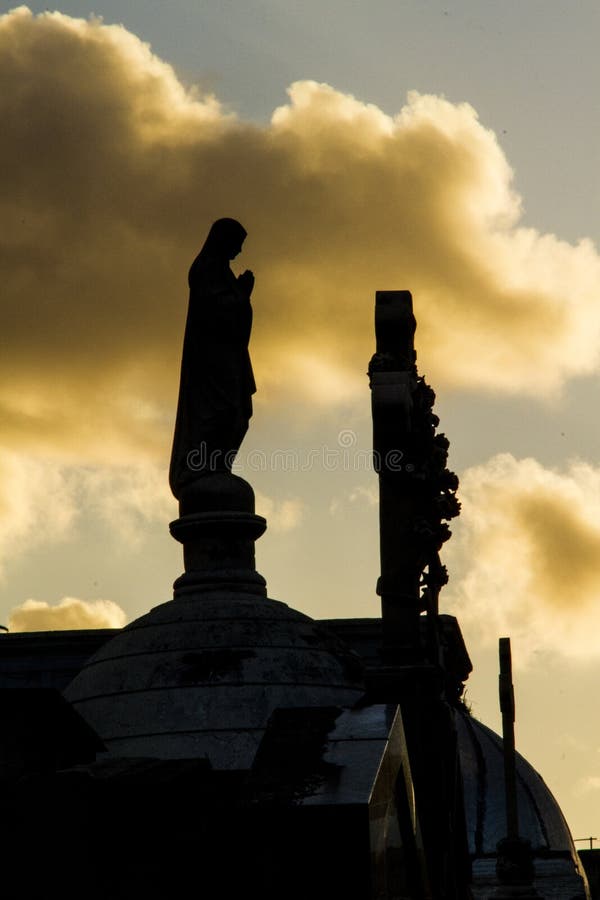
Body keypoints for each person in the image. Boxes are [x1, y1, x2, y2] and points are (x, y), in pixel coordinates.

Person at [169, 218, 256, 499]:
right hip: (211, 364)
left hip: (229, 360)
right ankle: (202, 467)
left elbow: (233, 316)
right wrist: (242, 296)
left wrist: (241, 295)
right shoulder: (206, 270)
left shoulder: (223, 273)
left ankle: (218, 466)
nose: (239, 252)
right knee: (218, 412)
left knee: (237, 415)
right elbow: (214, 313)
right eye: (237, 245)